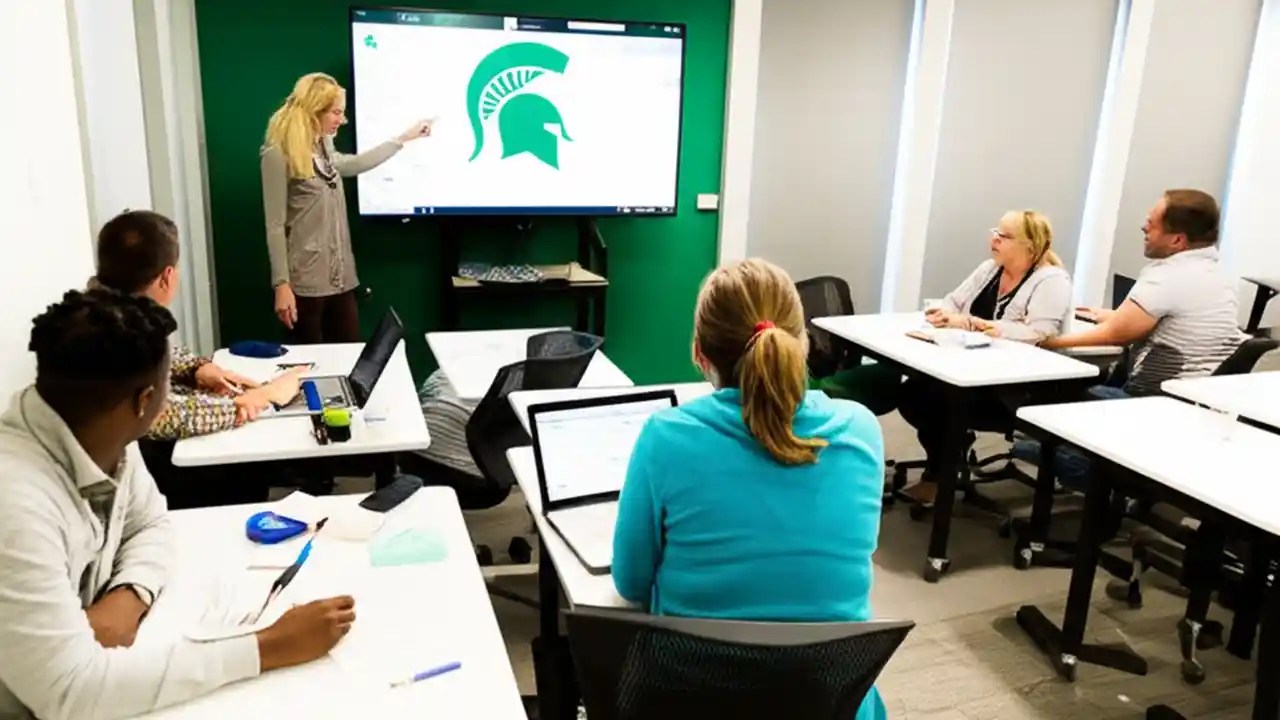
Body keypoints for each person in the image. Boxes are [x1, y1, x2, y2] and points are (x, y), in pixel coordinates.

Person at [0, 289, 356, 720]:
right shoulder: (16, 503)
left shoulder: (95, 427)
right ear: (145, 401)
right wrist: (267, 647)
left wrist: (129, 594)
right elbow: (70, 691)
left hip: (108, 662)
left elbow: (151, 524)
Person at [612, 259, 888, 720]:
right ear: (802, 344)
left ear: (699, 354)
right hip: (823, 699)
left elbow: (631, 582)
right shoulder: (861, 429)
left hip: (689, 698)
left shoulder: (665, 437)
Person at [1019, 189, 1247, 486]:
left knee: (1048, 393)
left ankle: (1081, 470)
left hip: (1152, 403)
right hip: (1195, 404)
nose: (1143, 227)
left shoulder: (1167, 275)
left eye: (1151, 224)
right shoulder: (1217, 274)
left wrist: (1045, 341)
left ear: (1177, 240)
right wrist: (1113, 314)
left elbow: (1117, 336)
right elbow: (1166, 318)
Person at [92, 209, 303, 507]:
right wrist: (260, 398)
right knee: (247, 464)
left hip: (135, 464)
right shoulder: (117, 336)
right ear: (167, 277)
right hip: (149, 484)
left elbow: (165, 358)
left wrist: (199, 369)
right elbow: (159, 414)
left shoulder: (104, 309)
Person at [897, 210, 1072, 505]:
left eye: (1004, 236)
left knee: (937, 402)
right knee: (913, 393)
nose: (995, 239)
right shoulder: (990, 269)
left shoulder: (1051, 280)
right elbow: (954, 301)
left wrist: (974, 324)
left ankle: (941, 475)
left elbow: (1038, 332)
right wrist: (944, 314)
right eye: (995, 232)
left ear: (1029, 246)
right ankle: (947, 460)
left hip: (1017, 387)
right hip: (972, 369)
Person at [261, 72, 432, 343]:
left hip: (342, 280)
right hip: (305, 284)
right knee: (307, 364)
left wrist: (403, 139)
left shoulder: (325, 148)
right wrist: (281, 284)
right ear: (315, 110)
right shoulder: (278, 154)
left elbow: (353, 164)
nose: (342, 120)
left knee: (350, 353)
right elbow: (274, 225)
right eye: (336, 113)